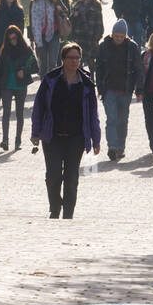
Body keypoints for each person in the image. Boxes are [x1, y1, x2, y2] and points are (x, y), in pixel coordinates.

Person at [30, 42, 101, 218]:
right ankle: (55, 208)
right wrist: (35, 132)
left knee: (71, 178)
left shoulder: (86, 83)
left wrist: (96, 139)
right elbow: (38, 107)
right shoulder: (50, 80)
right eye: (71, 58)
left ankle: (68, 213)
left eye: (77, 58)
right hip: (52, 136)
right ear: (63, 59)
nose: (74, 61)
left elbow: (93, 113)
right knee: (53, 176)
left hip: (76, 138)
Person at [94, 18, 143, 161]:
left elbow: (138, 69)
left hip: (126, 90)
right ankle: (112, 147)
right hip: (109, 89)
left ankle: (121, 147)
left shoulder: (132, 47)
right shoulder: (104, 46)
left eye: (121, 36)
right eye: (116, 36)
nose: (119, 39)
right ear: (112, 34)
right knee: (112, 119)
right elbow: (99, 69)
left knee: (122, 120)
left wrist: (139, 90)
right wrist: (100, 88)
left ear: (125, 36)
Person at [0, 26, 37, 152]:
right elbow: (0, 69)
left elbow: (36, 67)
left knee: (19, 114)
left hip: (21, 86)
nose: (13, 41)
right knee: (6, 113)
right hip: (7, 85)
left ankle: (18, 141)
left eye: (14, 38)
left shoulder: (26, 50)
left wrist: (24, 71)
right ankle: (5, 140)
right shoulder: (5, 51)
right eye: (10, 39)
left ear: (19, 37)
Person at [29, 0, 61, 75]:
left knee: (52, 62)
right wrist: (32, 38)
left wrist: (60, 10)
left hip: (54, 33)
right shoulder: (33, 2)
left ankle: (52, 85)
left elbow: (66, 11)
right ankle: (44, 85)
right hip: (40, 35)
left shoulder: (55, 0)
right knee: (43, 63)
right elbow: (31, 21)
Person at [70, 0, 104, 70]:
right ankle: (80, 76)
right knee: (78, 58)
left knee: (91, 58)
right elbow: (71, 22)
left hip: (91, 35)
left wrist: (98, 36)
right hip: (79, 35)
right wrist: (74, 16)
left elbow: (99, 21)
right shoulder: (77, 5)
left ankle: (92, 77)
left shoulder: (96, 5)